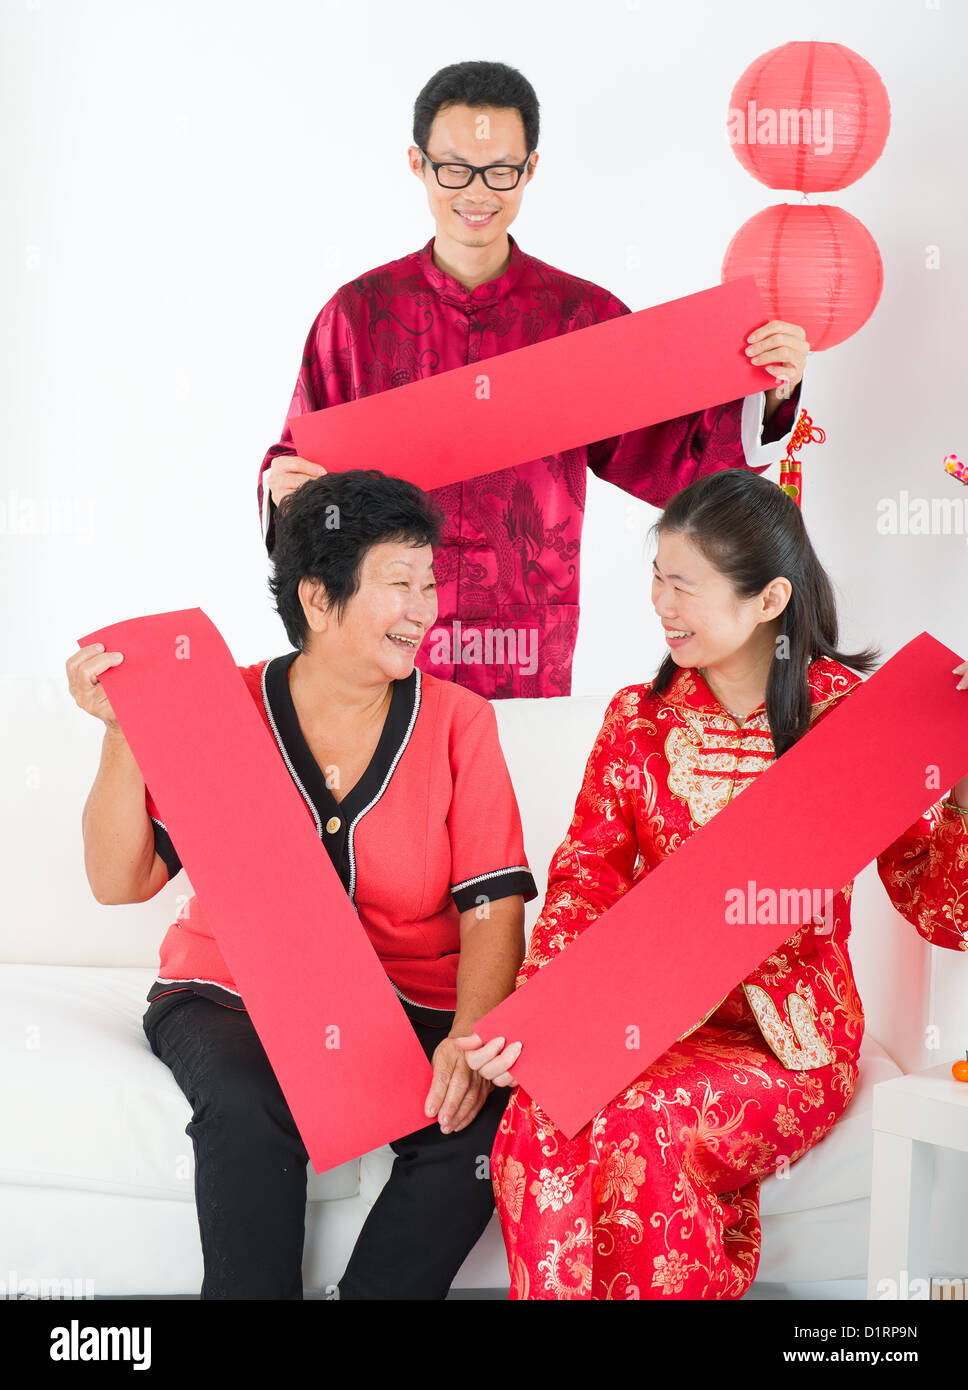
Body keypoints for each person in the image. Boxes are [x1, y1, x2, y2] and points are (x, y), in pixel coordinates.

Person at [457, 467, 968, 1299]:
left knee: (639, 1127)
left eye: (685, 586)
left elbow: (939, 903)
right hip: (643, 1022)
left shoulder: (853, 721)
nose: (662, 605)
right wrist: (547, 1017)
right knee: (537, 1123)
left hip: (788, 1041)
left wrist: (960, 790)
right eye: (658, 576)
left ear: (769, 600)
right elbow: (583, 878)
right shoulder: (637, 720)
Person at [68, 470, 538, 1300]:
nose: (425, 609)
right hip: (232, 996)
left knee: (486, 1127)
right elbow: (120, 881)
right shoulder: (227, 705)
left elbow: (492, 907)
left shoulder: (461, 721)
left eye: (430, 584)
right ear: (319, 600)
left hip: (410, 1000)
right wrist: (122, 732)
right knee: (248, 1112)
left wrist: (470, 1037)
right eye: (400, 585)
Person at [258, 59, 809, 699]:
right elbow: (302, 465)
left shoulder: (580, 319)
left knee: (512, 794)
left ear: (531, 169)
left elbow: (670, 453)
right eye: (454, 169)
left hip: (523, 639)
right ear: (418, 164)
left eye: (500, 171)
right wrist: (284, 489)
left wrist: (767, 398)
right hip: (380, 641)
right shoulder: (357, 317)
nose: (477, 192)